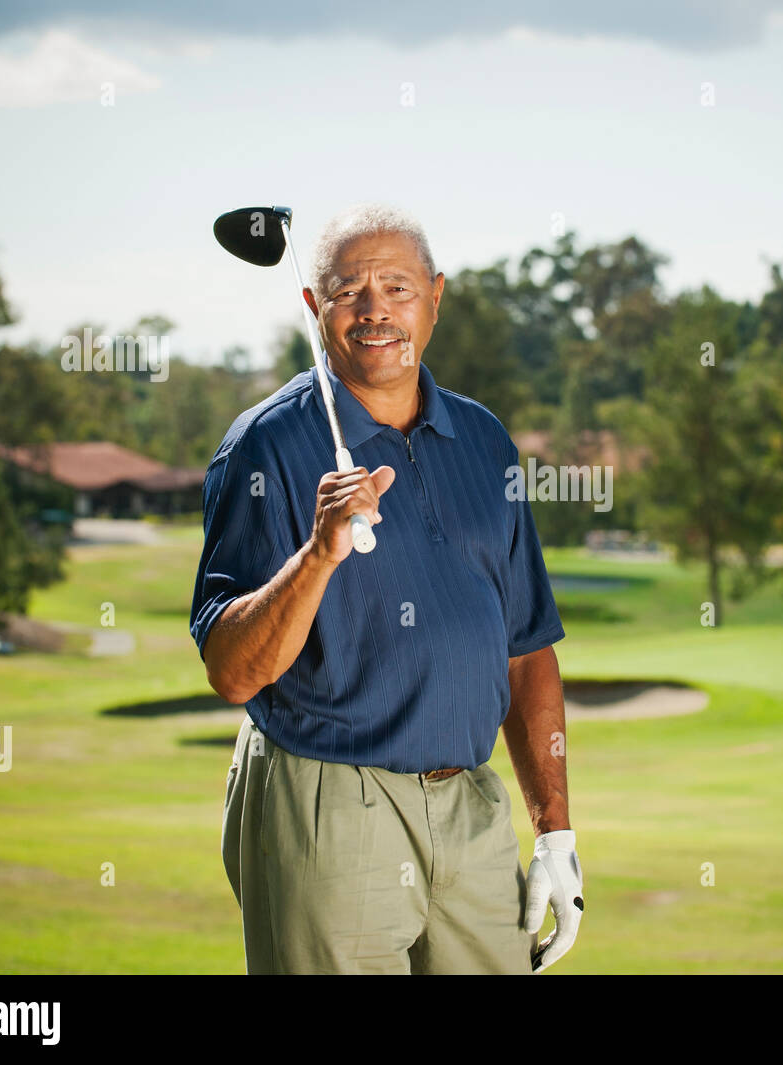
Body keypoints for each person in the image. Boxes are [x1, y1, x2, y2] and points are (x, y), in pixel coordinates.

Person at [190, 203, 583, 974]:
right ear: (314, 307)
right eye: (349, 291)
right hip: (328, 805)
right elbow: (232, 671)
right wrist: (318, 554)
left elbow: (526, 647)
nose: (376, 311)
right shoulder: (265, 445)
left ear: (435, 297)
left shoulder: (484, 439)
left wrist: (556, 830)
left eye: (397, 288)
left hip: (469, 807)